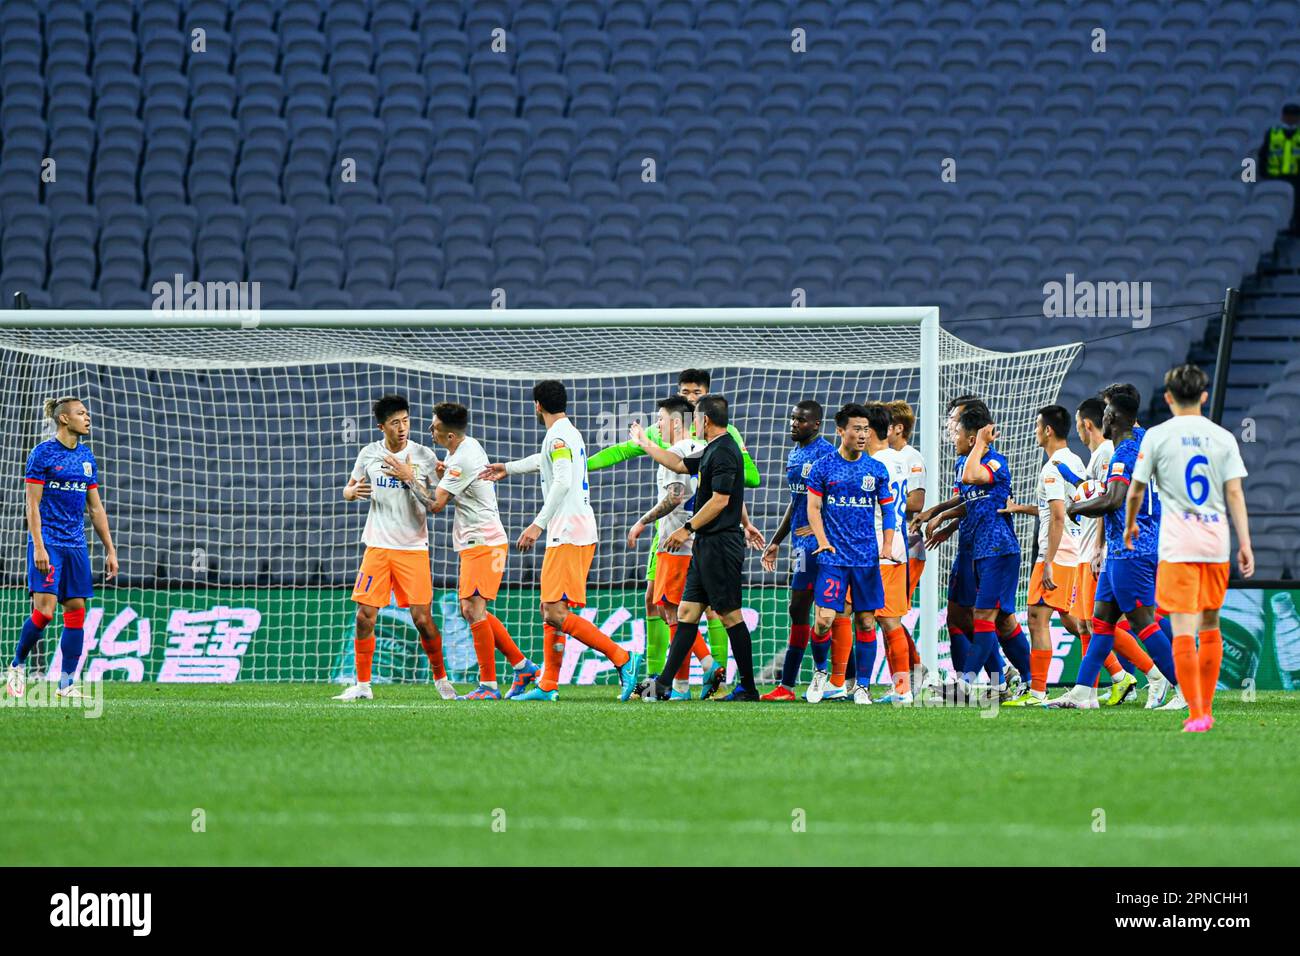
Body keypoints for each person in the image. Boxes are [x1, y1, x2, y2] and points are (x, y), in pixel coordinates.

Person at [587, 369, 762, 677]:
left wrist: (690, 525)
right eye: (685, 392)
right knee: (665, 604)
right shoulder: (672, 435)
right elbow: (635, 454)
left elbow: (744, 480)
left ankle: (703, 675)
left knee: (705, 611)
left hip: (697, 533)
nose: (690, 398)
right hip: (673, 533)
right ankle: (668, 678)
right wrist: (582, 466)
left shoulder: (723, 440)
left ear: (706, 401)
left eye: (696, 393)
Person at [481, 380, 642, 702]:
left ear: (536, 405)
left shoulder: (558, 435)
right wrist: (508, 469)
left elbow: (563, 480)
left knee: (554, 611)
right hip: (571, 530)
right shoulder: (566, 433)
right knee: (550, 608)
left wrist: (537, 525)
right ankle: (548, 684)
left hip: (568, 531)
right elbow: (547, 462)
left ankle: (623, 657)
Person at [1127, 364, 1253, 732]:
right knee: (1211, 625)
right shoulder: (1223, 437)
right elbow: (1234, 493)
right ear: (1203, 396)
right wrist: (1244, 543)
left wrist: (1131, 523)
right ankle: (1207, 708)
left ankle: (1196, 713)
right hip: (1215, 544)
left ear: (1167, 398)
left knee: (1183, 631)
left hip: (1178, 546)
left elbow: (1135, 490)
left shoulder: (1156, 437)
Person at [390, 401, 538, 700]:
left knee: (473, 609)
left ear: (449, 435)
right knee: (470, 609)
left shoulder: (461, 460)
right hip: (478, 541)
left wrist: (409, 478)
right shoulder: (465, 447)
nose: (430, 429)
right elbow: (460, 475)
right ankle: (522, 667)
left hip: (483, 541)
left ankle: (489, 686)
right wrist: (445, 470)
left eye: (435, 426)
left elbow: (435, 505)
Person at [1050, 388, 1181, 709]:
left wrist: (1076, 508)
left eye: (1106, 412)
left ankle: (1185, 687)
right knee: (1102, 621)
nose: (1102, 417)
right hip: (1124, 548)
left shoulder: (1123, 453)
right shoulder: (1142, 441)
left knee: (1142, 622)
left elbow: (1113, 499)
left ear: (1116, 417)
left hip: (1132, 548)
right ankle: (1083, 692)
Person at [630, 395, 760, 701]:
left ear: (706, 421)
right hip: (705, 545)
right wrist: (644, 443)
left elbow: (720, 499)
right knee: (686, 612)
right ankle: (662, 685)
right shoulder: (711, 449)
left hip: (720, 544)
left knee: (730, 616)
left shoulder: (726, 451)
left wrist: (686, 528)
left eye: (697, 419)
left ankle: (748, 688)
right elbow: (676, 462)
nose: (694, 424)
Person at [334, 395, 454, 702]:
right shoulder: (369, 454)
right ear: (382, 426)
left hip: (413, 547)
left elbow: (435, 500)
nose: (402, 428)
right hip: (377, 545)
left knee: (423, 619)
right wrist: (350, 492)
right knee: (364, 615)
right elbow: (350, 486)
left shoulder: (423, 455)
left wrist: (409, 476)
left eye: (406, 420)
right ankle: (362, 685)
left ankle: (441, 679)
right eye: (395, 423)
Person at [6, 397, 118, 700]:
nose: (87, 417)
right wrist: (38, 546)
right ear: (64, 419)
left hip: (76, 545)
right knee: (45, 611)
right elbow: (32, 503)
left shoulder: (86, 457)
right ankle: (16, 665)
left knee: (77, 611)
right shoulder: (42, 454)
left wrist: (110, 549)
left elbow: (95, 509)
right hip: (49, 543)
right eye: (81, 413)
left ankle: (66, 685)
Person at [803, 403, 897, 706]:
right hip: (832, 557)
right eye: (856, 428)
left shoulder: (876, 469)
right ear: (840, 430)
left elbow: (889, 511)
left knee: (867, 623)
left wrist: (886, 546)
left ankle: (863, 687)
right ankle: (819, 672)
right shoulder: (823, 467)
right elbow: (813, 509)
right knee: (824, 621)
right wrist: (822, 540)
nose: (862, 434)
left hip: (866, 559)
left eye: (866, 429)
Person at [626, 396, 720, 699]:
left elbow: (675, 497)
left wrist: (641, 522)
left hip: (677, 543)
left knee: (673, 612)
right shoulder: (701, 449)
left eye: (661, 420)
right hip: (697, 541)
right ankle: (686, 680)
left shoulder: (676, 453)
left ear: (676, 423)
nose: (657, 426)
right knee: (675, 609)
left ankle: (700, 670)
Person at [1002, 405, 1087, 706]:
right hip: (1075, 550)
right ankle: (1120, 676)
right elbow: (1060, 510)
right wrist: (1020, 509)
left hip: (1057, 552)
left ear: (1048, 430)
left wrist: (1047, 561)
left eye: (1038, 426)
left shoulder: (1051, 468)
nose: (1035, 431)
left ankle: (1037, 691)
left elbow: (1058, 516)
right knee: (1073, 621)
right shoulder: (1075, 461)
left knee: (1037, 618)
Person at [1072, 397, 1147, 705]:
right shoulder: (1105, 453)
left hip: (1108, 549)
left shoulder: (1110, 453)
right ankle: (1098, 685)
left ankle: (1154, 675)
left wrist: (1098, 547)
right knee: (1089, 622)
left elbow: (1109, 501)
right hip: (1095, 548)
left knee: (1128, 620)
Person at [760, 400, 836, 700]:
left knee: (828, 614)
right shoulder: (794, 454)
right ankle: (789, 686)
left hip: (823, 545)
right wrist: (777, 539)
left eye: (801, 420)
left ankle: (835, 678)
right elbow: (796, 501)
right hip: (800, 544)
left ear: (816, 424)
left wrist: (821, 529)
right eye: (792, 418)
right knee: (799, 609)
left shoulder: (827, 453)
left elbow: (835, 499)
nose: (794, 423)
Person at [866, 403, 914, 705]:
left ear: (869, 431)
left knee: (876, 621)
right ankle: (902, 688)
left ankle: (895, 688)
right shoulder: (898, 460)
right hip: (897, 548)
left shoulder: (874, 465)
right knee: (889, 621)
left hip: (878, 549)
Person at [886, 399, 927, 687]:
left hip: (908, 544)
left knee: (891, 615)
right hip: (892, 544)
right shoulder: (885, 456)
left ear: (898, 428)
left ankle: (912, 675)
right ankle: (913, 670)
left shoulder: (912, 457)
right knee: (886, 614)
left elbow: (917, 500)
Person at [1259, 102, 1300, 234]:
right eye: (1288, 115)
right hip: (1276, 177)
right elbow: (1263, 154)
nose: (1291, 118)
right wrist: (1264, 173)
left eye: (1294, 115)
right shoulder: (1272, 133)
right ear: (1282, 116)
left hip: (1297, 178)